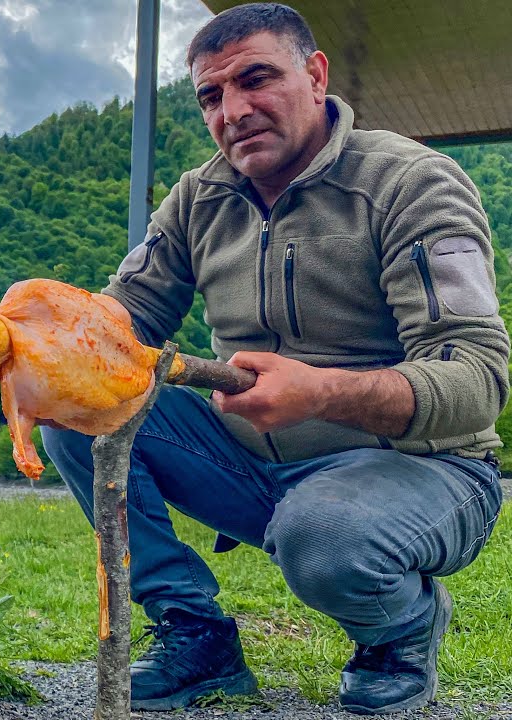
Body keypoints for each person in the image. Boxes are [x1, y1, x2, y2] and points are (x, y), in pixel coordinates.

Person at [42, 3, 508, 715]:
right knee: (79, 408)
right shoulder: (198, 198)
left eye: (256, 79)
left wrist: (320, 392)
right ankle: (195, 633)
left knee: (322, 535)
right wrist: (26, 337)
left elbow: (477, 377)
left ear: (315, 75)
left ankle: (402, 630)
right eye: (211, 95)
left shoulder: (413, 183)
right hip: (248, 464)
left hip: (423, 469)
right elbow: (118, 323)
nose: (233, 111)